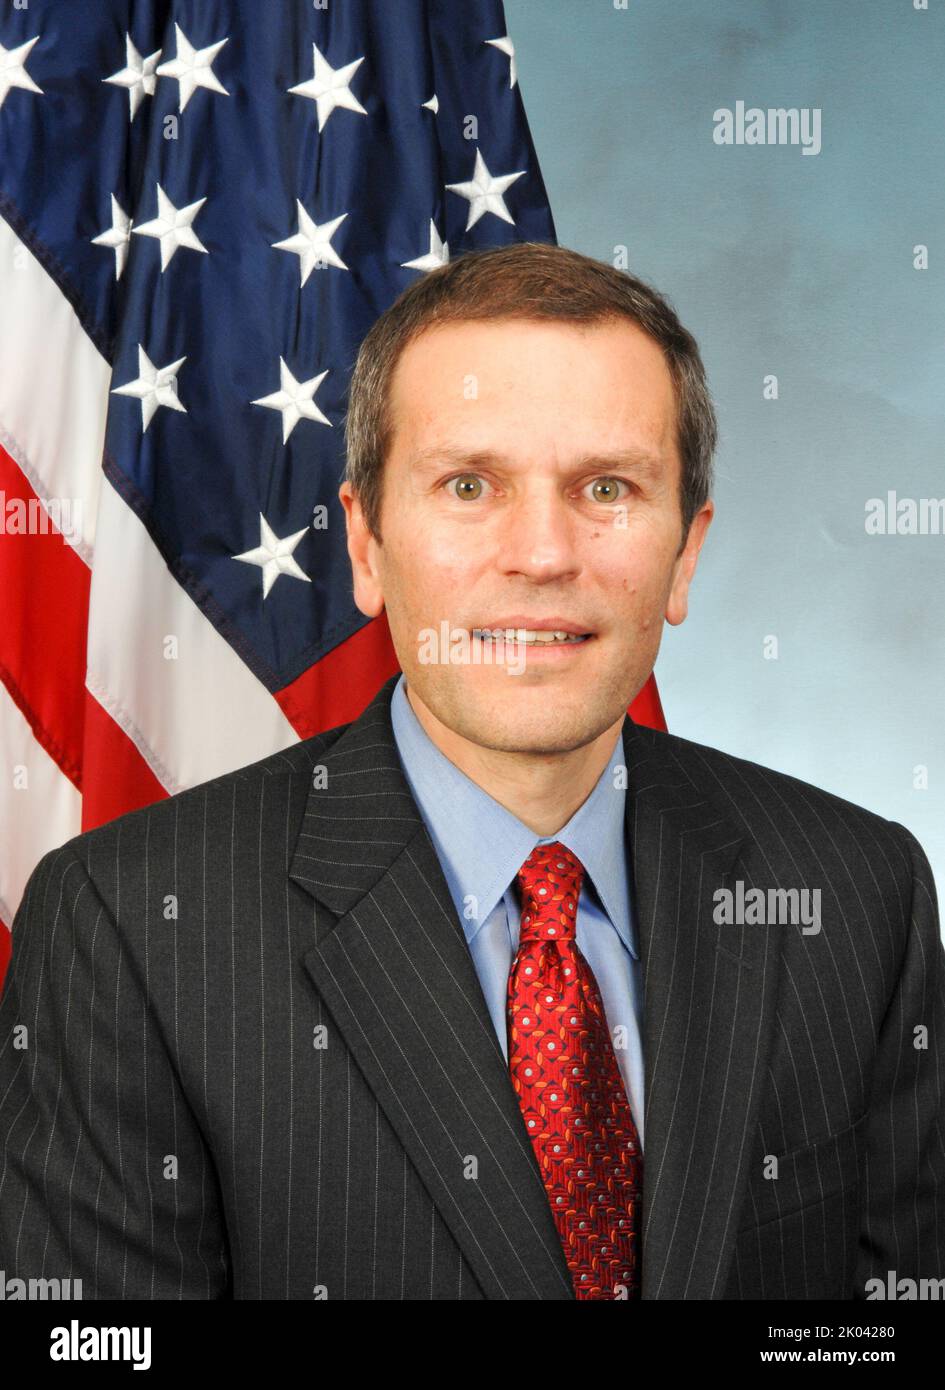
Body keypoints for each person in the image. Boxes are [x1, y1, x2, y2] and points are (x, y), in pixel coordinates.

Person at [1, 242, 942, 1300]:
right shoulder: (134, 925)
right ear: (365, 545)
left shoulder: (859, 893)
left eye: (607, 486)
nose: (542, 553)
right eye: (467, 484)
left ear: (685, 553)